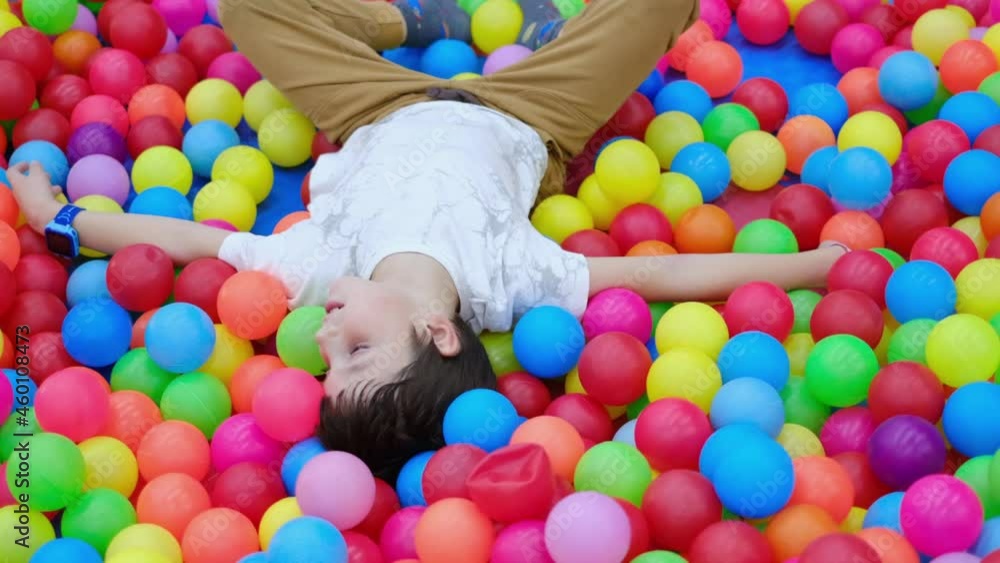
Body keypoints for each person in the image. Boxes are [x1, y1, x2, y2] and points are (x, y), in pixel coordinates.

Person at [7, 0, 849, 481]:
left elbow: (190, 239)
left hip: (375, 107)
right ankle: (496, 32)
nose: (324, 337)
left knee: (247, 5)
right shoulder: (511, 281)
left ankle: (396, 20)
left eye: (328, 358)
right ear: (440, 331)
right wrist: (811, 263)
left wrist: (65, 223)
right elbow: (666, 271)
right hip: (531, 118)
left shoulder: (311, 272)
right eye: (357, 350)